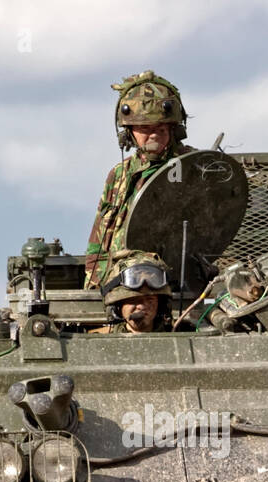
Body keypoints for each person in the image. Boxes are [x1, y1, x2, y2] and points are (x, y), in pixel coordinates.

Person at [84, 71, 194, 289]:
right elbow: (99, 241)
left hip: (176, 286)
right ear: (129, 133)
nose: (153, 136)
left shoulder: (192, 167)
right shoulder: (118, 176)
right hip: (122, 287)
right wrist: (94, 286)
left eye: (160, 129)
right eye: (144, 129)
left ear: (174, 130)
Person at [95, 250, 172, 333]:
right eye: (133, 300)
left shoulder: (178, 339)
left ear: (161, 305)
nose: (141, 307)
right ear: (117, 307)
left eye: (150, 300)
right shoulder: (101, 343)